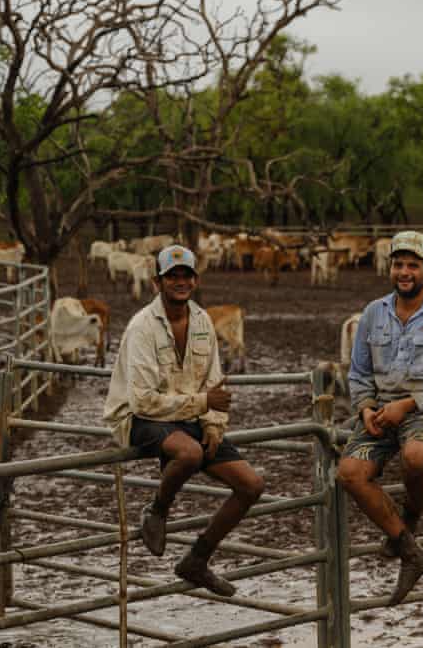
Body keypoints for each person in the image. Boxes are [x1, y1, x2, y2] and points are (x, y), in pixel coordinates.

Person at [104, 244, 264, 597]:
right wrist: (204, 404)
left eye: (185, 275)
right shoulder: (142, 327)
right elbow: (143, 400)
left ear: (195, 279)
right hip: (138, 416)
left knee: (251, 485)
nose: (180, 282)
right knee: (190, 454)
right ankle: (157, 510)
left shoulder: (203, 321)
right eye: (171, 276)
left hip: (189, 415)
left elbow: (214, 380)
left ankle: (197, 558)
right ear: (156, 282)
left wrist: (213, 423)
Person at [336, 231, 423, 605]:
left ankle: (410, 517)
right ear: (391, 267)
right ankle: (410, 550)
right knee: (348, 472)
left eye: (413, 265)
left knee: (416, 456)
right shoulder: (372, 314)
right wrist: (365, 408)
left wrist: (407, 405)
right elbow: (359, 374)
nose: (405, 271)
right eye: (399, 264)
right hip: (380, 409)